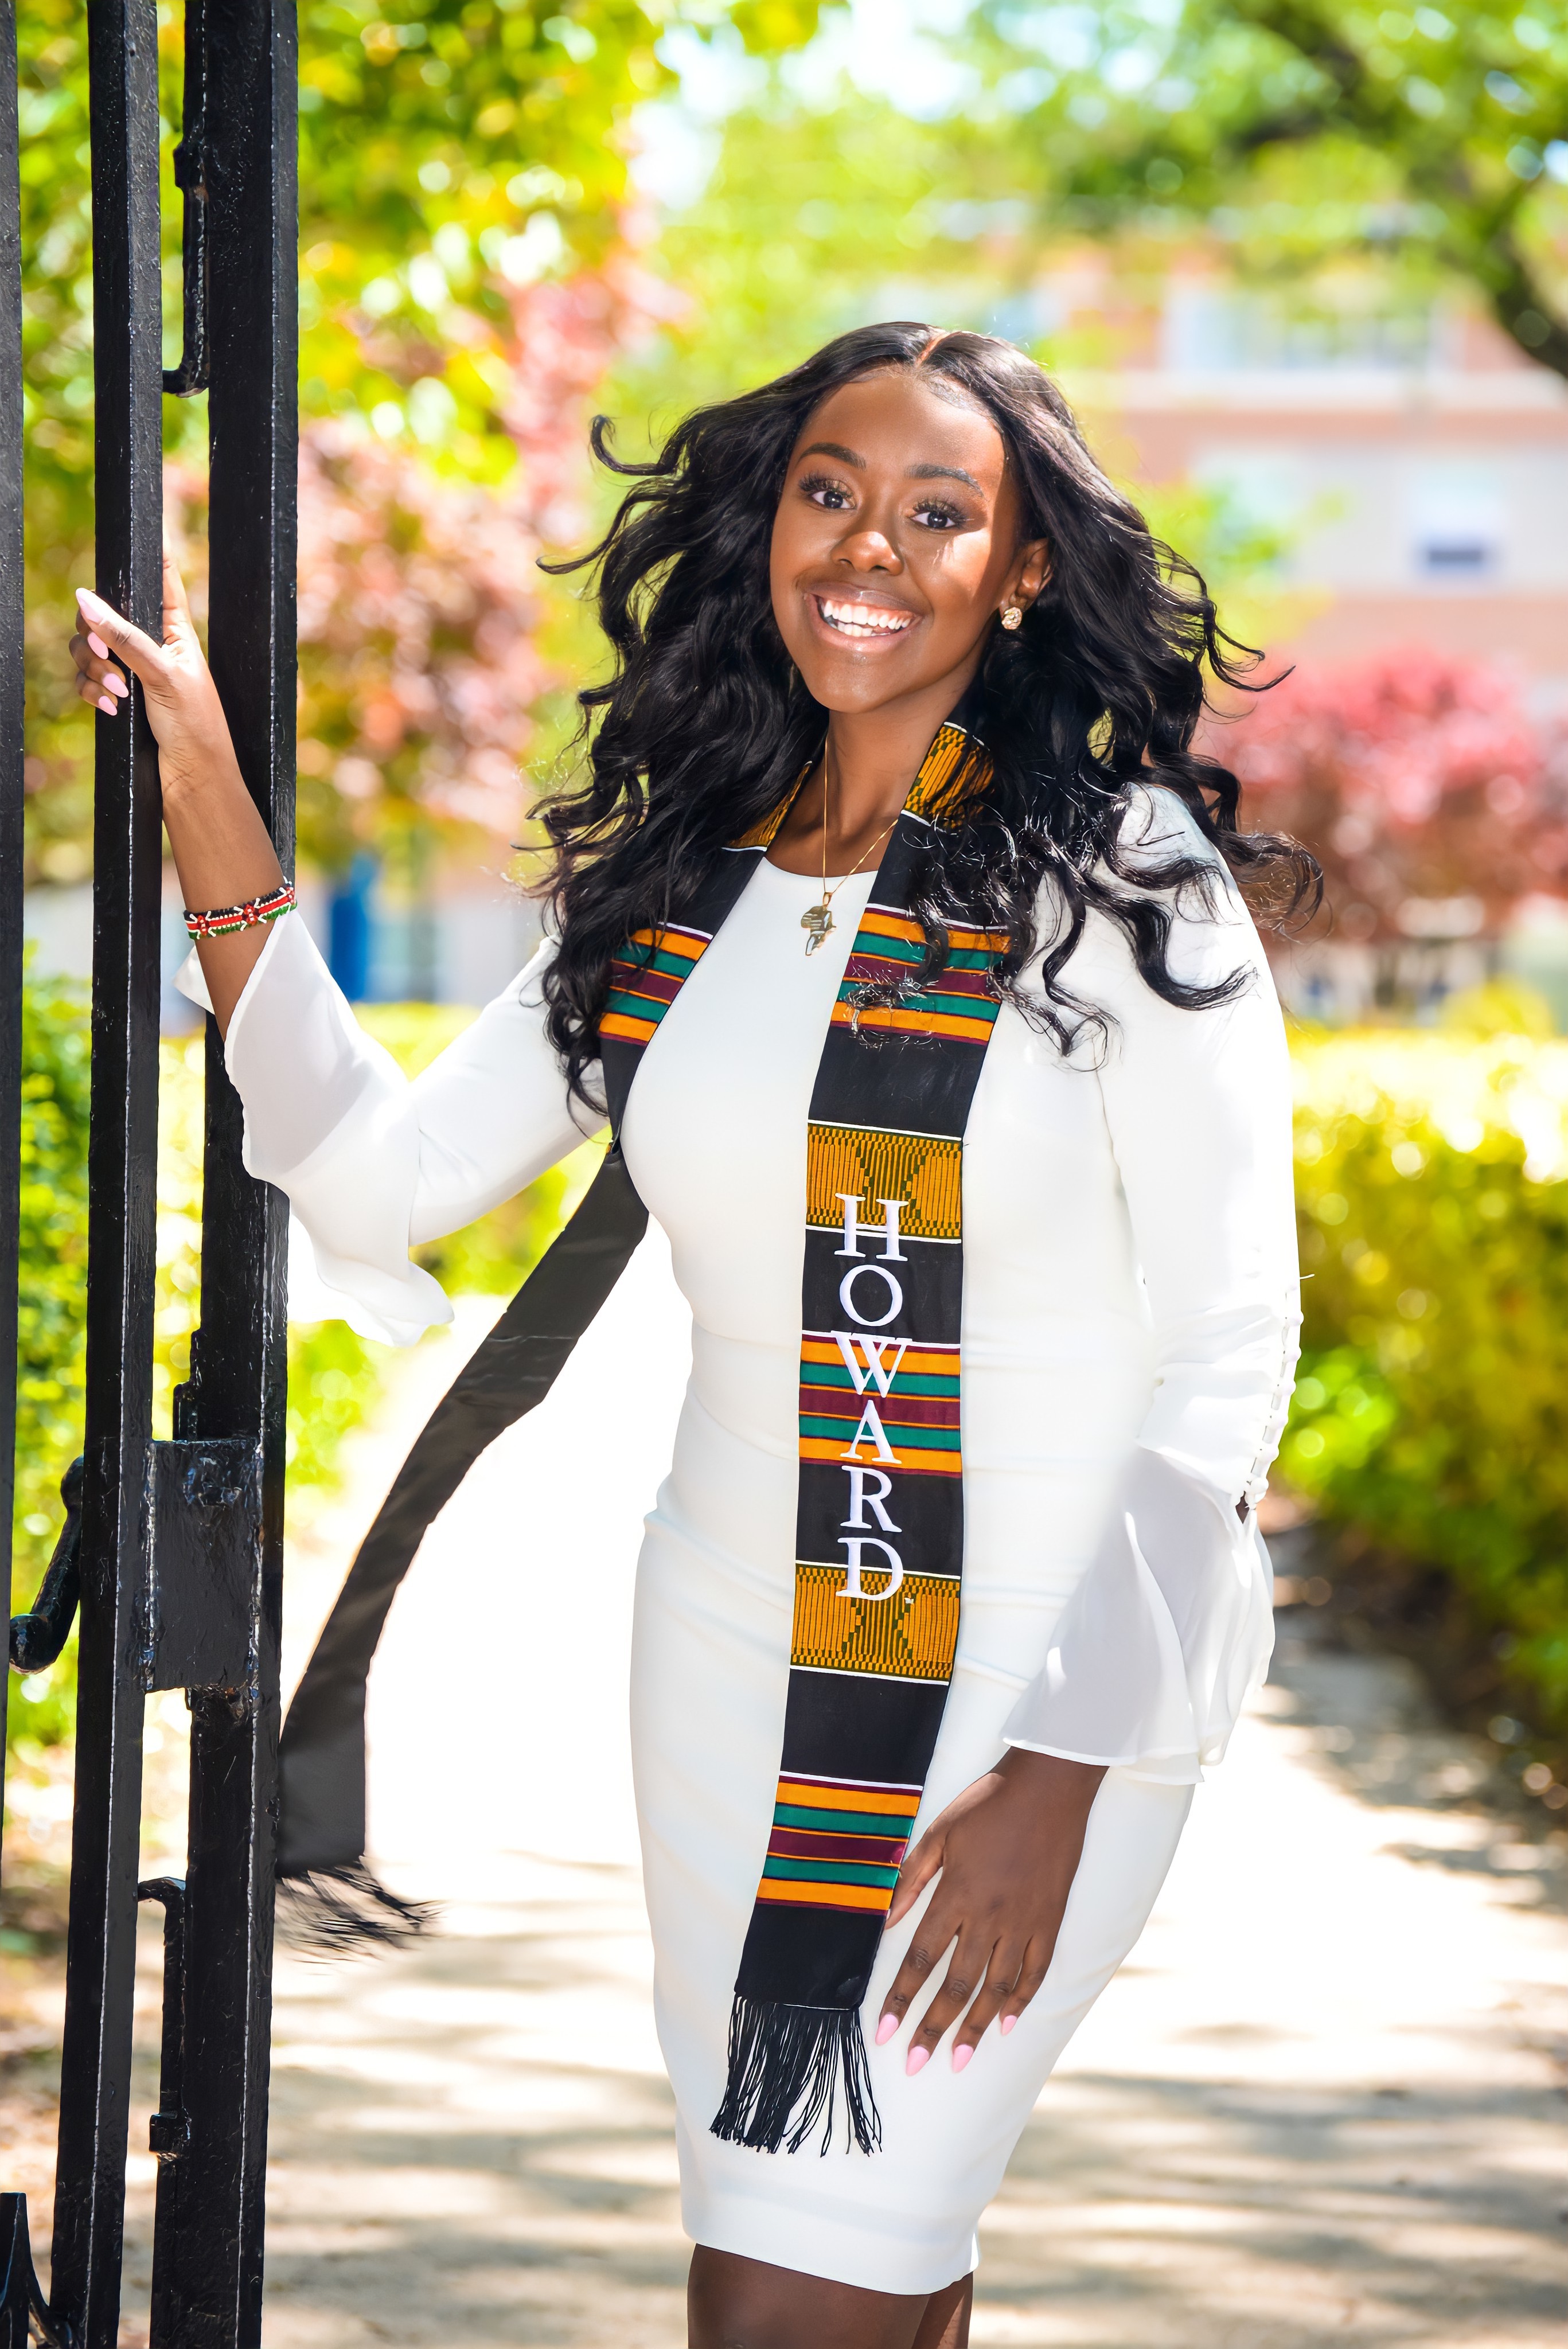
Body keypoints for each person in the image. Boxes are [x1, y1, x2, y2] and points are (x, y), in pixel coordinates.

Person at [69, 323, 1311, 2349]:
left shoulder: (1115, 879)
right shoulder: (676, 890)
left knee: (791, 2288)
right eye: (831, 490)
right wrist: (203, 784)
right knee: (848, 2254)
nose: (869, 546)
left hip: (1033, 1682)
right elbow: (380, 1177)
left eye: (937, 512)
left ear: (1019, 573)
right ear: (767, 526)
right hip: (726, 1657)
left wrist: (1064, 1766)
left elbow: (1233, 1342)